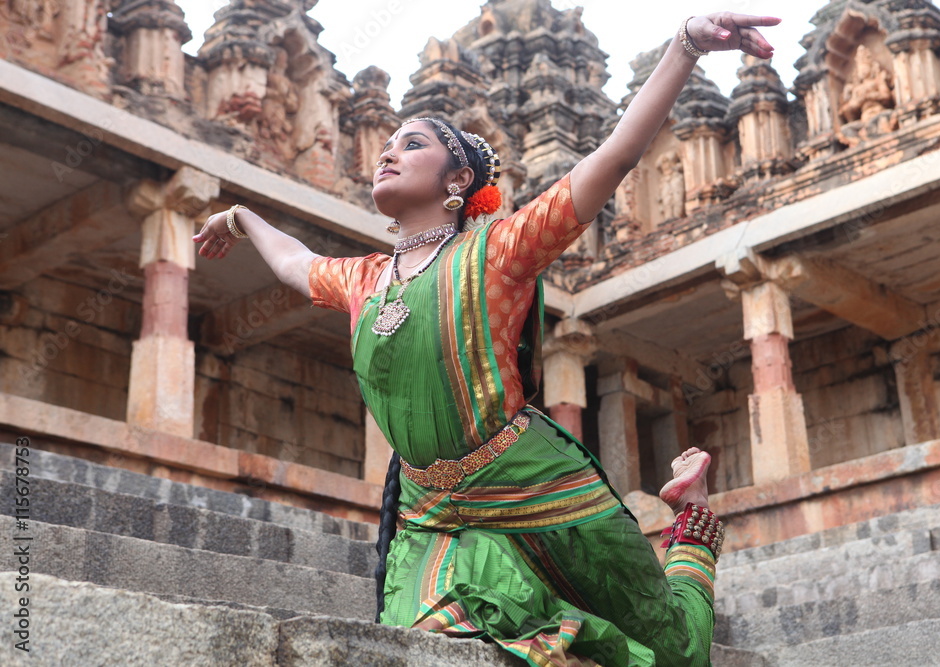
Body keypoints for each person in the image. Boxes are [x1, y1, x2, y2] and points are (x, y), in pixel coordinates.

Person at [194, 12, 779, 666]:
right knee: (418, 632)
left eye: (411, 144)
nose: (388, 151)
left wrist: (687, 45)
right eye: (386, 143)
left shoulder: (498, 253)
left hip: (531, 483)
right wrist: (240, 216)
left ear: (457, 181)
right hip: (431, 510)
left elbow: (612, 157)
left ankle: (692, 517)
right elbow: (292, 261)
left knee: (677, 652)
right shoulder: (364, 278)